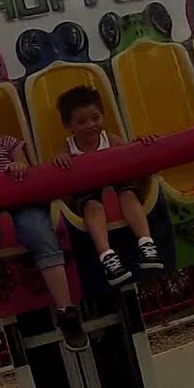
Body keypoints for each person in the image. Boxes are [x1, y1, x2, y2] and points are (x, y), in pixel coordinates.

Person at [0, 89, 88, 354]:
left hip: (20, 204)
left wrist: (17, 167)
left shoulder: (10, 145)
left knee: (39, 232)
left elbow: (24, 165)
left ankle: (67, 311)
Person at [52, 85, 164, 285]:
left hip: (117, 185)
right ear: (69, 126)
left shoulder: (108, 138)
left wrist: (140, 142)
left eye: (95, 118)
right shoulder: (69, 147)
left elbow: (130, 152)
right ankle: (106, 255)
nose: (91, 125)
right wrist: (60, 159)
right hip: (87, 193)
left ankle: (146, 243)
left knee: (129, 196)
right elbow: (58, 168)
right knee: (92, 208)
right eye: (82, 121)